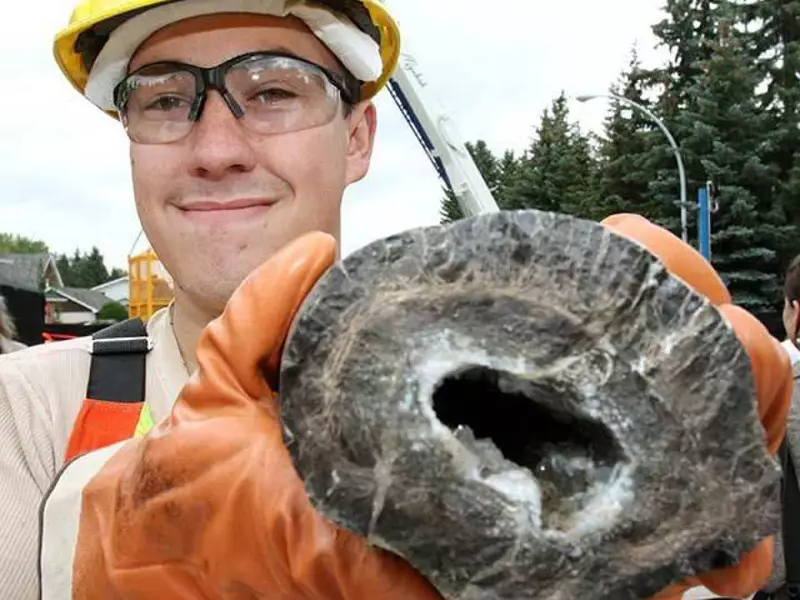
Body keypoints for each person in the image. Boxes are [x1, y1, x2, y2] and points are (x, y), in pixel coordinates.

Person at [0, 1, 791, 598]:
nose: (215, 149)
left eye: (274, 89)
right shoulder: (29, 413)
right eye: (165, 101)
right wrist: (123, 543)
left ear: (357, 138)